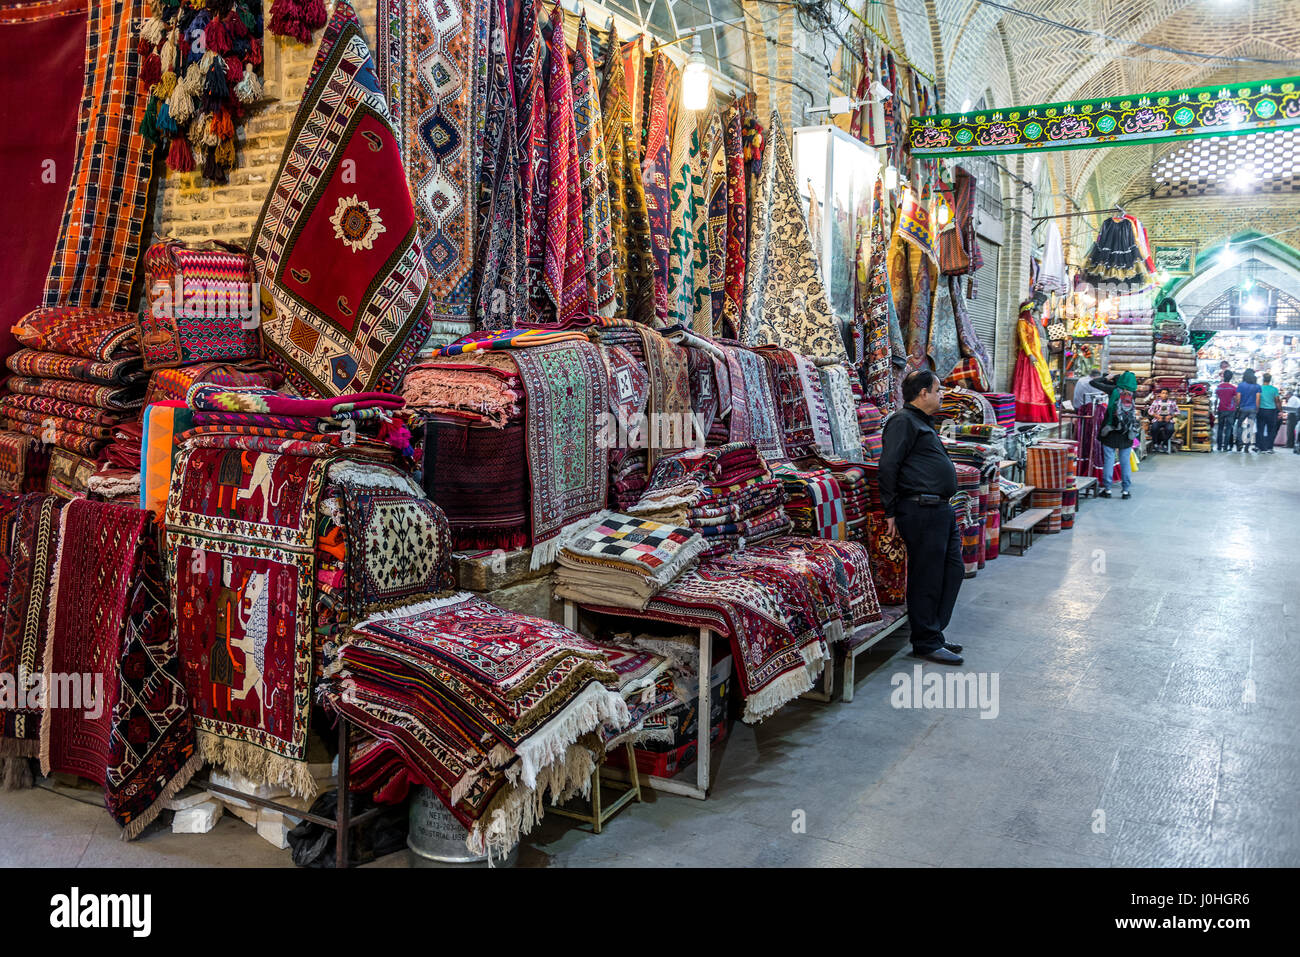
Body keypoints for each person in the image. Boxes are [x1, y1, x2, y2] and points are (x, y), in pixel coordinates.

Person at [879, 370, 964, 665]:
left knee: (953, 570)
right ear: (923, 393)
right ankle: (925, 641)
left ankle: (934, 632)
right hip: (920, 509)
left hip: (940, 509)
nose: (942, 395)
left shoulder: (922, 422)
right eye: (938, 390)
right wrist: (889, 511)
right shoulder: (902, 421)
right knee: (927, 576)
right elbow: (888, 466)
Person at [1093, 370, 1140, 499]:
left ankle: (1107, 489)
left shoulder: (1113, 390)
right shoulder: (1133, 393)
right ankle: (1125, 491)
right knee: (1125, 461)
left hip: (1110, 430)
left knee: (1109, 459)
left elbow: (1093, 382)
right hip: (1126, 431)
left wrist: (1107, 377)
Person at [1236, 369, 1262, 452]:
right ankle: (1247, 447)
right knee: (1250, 427)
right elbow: (1258, 399)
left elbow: (1238, 398)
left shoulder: (1241, 385)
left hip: (1243, 408)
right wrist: (1257, 408)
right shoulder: (1257, 386)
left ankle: (1239, 443)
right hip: (1253, 409)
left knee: (1239, 426)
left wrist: (1238, 406)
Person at [1214, 370, 1237, 452]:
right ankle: (1226, 446)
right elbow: (1235, 399)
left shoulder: (1219, 387)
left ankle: (1219, 446)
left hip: (1221, 409)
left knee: (1220, 428)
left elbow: (1216, 399)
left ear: (1223, 377)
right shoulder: (1234, 388)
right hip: (1231, 410)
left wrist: (1215, 409)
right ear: (1231, 378)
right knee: (1228, 428)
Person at [1257, 373, 1280, 453]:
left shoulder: (1259, 388)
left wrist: (1257, 409)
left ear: (1263, 379)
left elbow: (1258, 399)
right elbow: (1277, 401)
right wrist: (1280, 410)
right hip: (1272, 411)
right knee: (1271, 430)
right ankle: (1270, 447)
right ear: (1270, 380)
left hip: (1261, 410)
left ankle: (1261, 448)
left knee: (1260, 429)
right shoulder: (1274, 389)